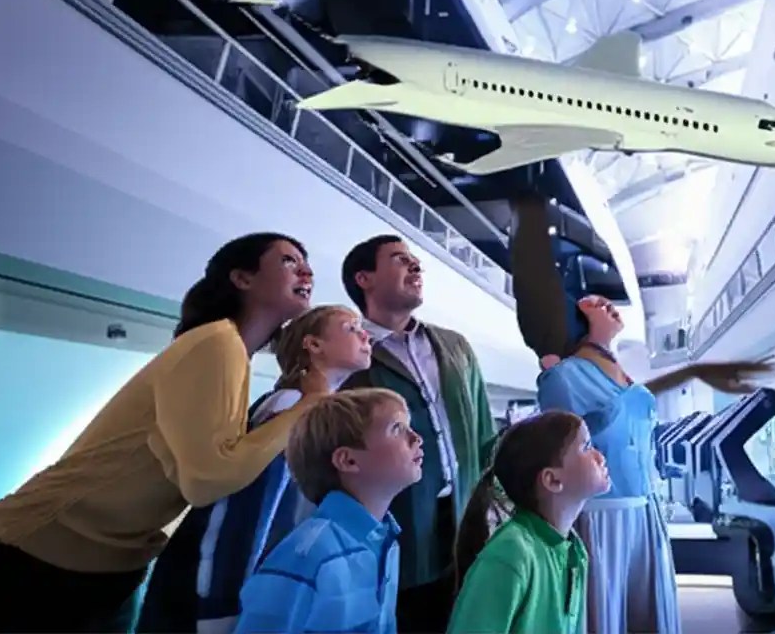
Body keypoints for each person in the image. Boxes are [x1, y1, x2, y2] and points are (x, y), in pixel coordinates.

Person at [0, 233, 320, 632]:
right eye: (289, 261)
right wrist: (309, 404)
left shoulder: (234, 354)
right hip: (41, 553)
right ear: (242, 278)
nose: (306, 270)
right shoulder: (216, 343)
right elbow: (206, 478)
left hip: (110, 565)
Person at [508, 194, 769, 634]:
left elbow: (627, 407)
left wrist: (698, 370)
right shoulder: (564, 378)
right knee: (606, 614)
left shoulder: (617, 367)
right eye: (587, 301)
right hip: (601, 518)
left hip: (645, 509)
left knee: (647, 613)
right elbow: (562, 453)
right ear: (570, 317)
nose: (602, 302)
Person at [137, 304, 373, 633]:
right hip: (212, 590)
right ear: (313, 345)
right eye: (351, 328)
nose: (366, 335)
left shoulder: (308, 410)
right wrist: (222, 613)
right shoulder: (288, 408)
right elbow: (240, 516)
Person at [340, 234, 498, 632]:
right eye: (398, 259)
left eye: (414, 260)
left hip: (465, 517)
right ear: (365, 279)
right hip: (395, 524)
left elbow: (483, 432)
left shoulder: (454, 345)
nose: (415, 266)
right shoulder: (348, 353)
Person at [235, 388, 422, 634]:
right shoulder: (308, 556)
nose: (416, 438)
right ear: (348, 461)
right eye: (397, 428)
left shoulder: (386, 543)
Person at [448, 411, 609, 634]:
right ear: (552, 480)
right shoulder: (510, 554)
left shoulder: (574, 549)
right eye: (585, 447)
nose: (600, 456)